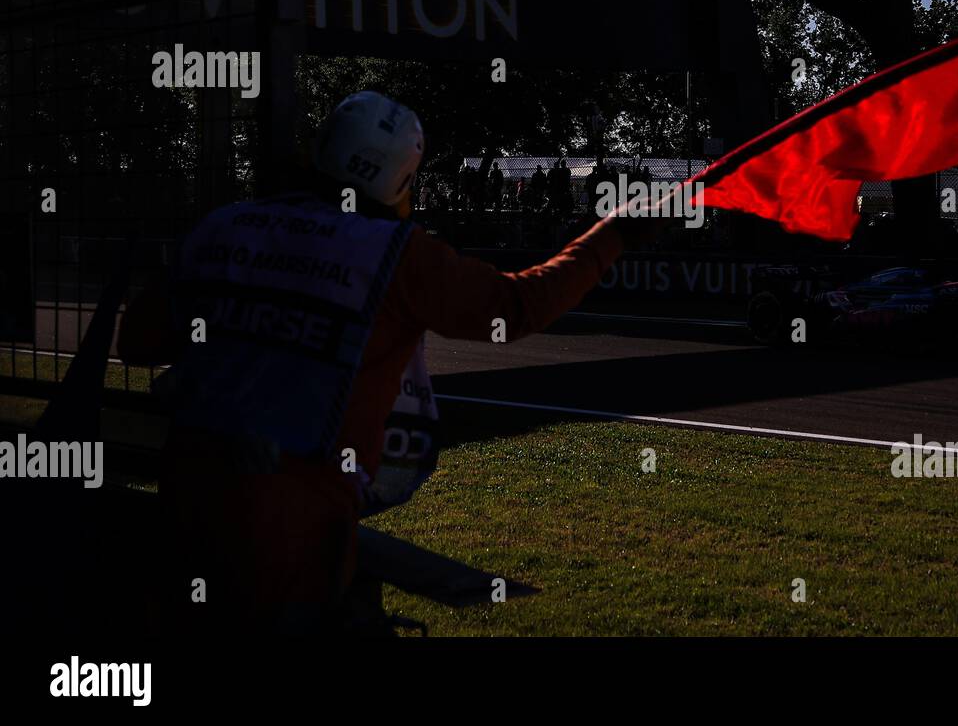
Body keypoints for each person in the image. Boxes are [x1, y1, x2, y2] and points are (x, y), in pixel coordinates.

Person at [116, 91, 668, 634]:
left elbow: (138, 341)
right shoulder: (397, 253)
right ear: (401, 180)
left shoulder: (225, 226)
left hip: (186, 503)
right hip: (296, 525)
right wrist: (614, 233)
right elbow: (518, 306)